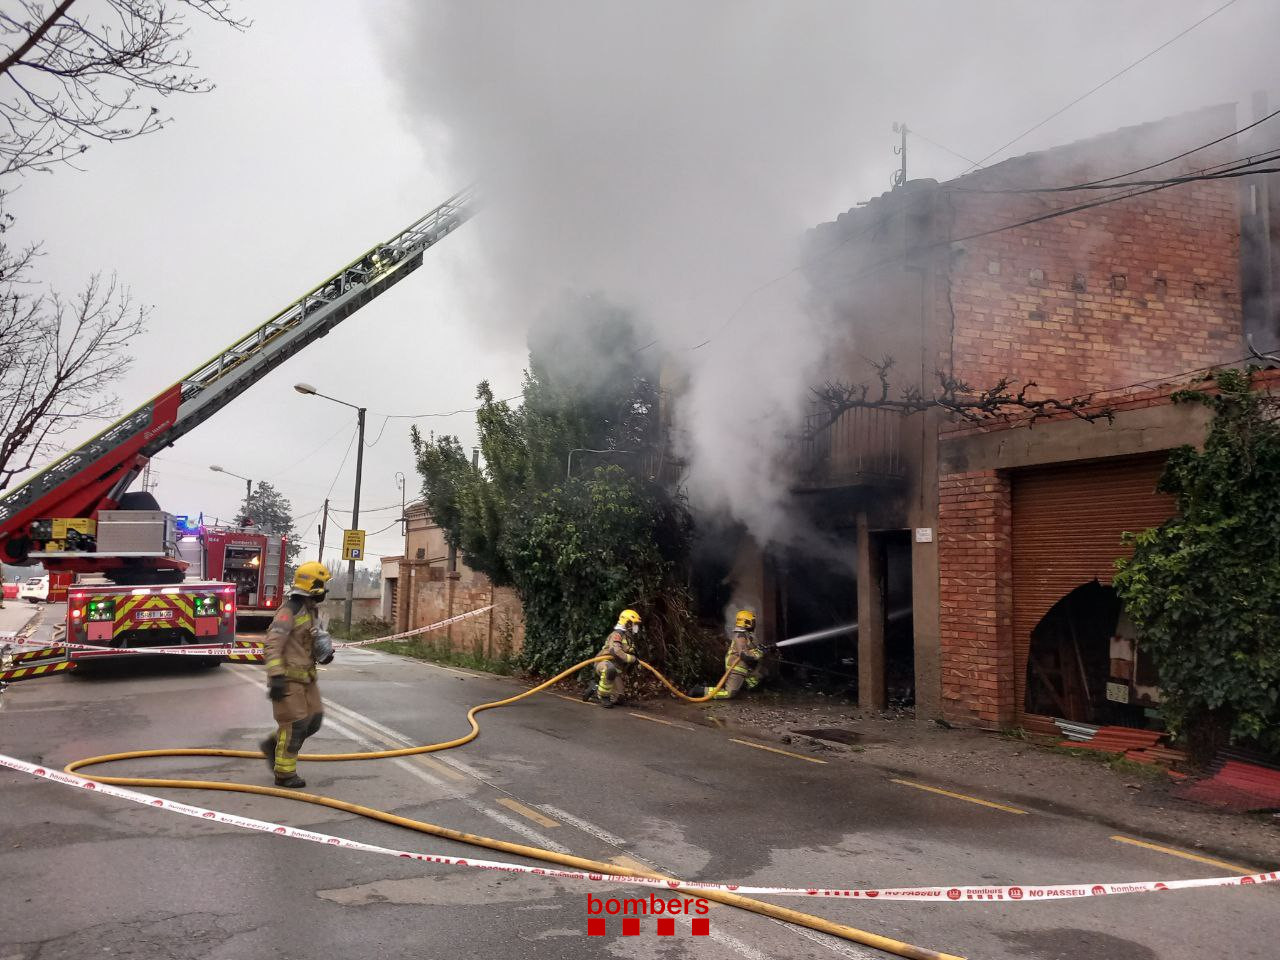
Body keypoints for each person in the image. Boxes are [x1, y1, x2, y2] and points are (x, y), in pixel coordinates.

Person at [259, 561, 334, 788]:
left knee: (314, 720)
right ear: (312, 585)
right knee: (296, 725)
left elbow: (308, 641)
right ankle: (284, 774)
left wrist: (324, 653)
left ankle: (273, 745)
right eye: (322, 584)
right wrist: (276, 677)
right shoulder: (288, 611)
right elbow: (272, 645)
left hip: (307, 678)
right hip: (288, 679)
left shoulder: (310, 609)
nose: (325, 590)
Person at [695, 610, 764, 699]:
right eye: (753, 622)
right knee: (729, 693)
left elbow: (749, 649)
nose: (754, 624)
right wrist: (758, 653)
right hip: (736, 667)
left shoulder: (745, 636)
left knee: (755, 679)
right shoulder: (741, 636)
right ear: (747, 623)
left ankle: (748, 688)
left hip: (744, 668)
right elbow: (745, 656)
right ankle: (700, 690)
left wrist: (760, 649)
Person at [583, 608, 641, 708]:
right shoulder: (617, 635)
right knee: (610, 669)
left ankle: (594, 688)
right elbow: (616, 652)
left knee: (619, 698)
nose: (635, 627)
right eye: (633, 624)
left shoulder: (629, 638)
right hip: (604, 663)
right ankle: (604, 697)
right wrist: (632, 659)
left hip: (616, 669)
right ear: (626, 623)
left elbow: (630, 653)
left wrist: (634, 659)